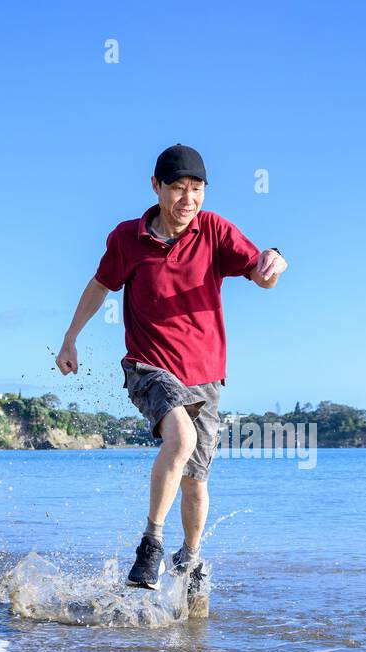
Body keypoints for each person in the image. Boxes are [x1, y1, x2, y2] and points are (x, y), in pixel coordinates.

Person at [54, 144, 288, 608]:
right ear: (156, 187)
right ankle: (151, 544)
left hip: (206, 374)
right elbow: (100, 284)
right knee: (178, 439)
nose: (188, 200)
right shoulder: (127, 238)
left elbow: (261, 275)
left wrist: (275, 260)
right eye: (178, 188)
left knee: (196, 480)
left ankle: (191, 558)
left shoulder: (215, 230)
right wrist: (70, 338)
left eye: (196, 190)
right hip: (149, 364)